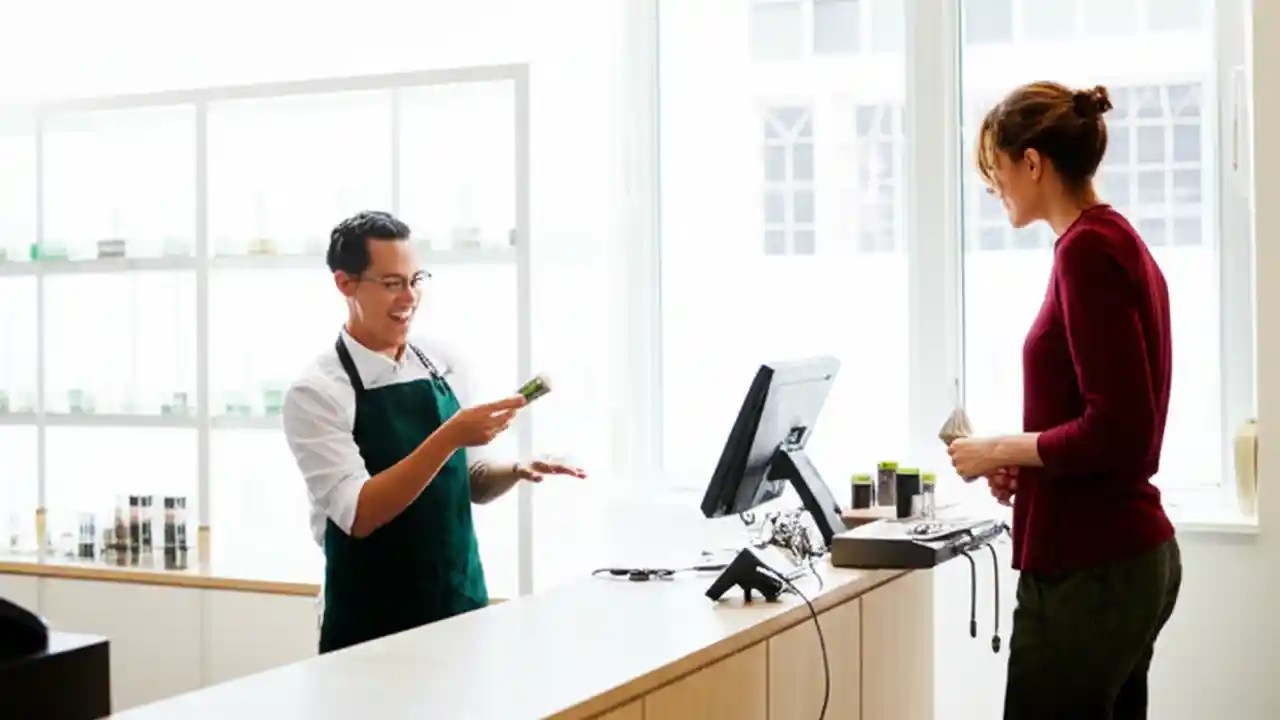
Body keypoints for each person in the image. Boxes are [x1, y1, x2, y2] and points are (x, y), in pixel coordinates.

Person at [946, 82, 1182, 720]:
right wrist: (1031, 465)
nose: (994, 186)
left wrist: (996, 448)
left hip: (1091, 567)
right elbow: (1105, 425)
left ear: (1032, 163)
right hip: (1123, 555)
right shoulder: (1111, 240)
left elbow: (1118, 431)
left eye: (997, 167)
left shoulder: (1087, 250)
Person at [283, 210, 586, 654]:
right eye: (391, 284)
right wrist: (451, 435)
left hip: (458, 606)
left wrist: (516, 468)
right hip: (370, 623)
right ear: (345, 284)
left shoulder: (443, 360)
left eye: (416, 279)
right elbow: (360, 513)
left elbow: (469, 481)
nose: (409, 297)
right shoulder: (317, 392)